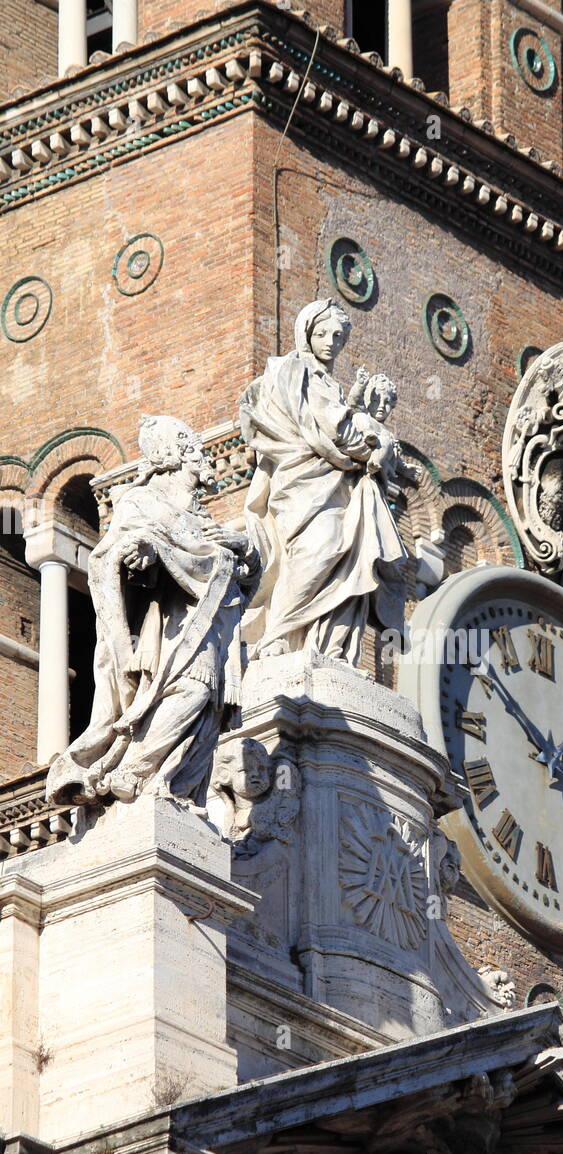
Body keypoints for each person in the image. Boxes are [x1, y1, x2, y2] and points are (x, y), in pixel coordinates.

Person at [46, 415, 259, 808]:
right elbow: (110, 558)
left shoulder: (203, 519)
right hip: (166, 627)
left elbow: (242, 580)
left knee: (207, 710)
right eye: (191, 446)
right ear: (174, 454)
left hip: (213, 627)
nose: (202, 454)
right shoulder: (143, 501)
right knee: (192, 690)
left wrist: (243, 548)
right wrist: (144, 555)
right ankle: (133, 771)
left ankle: (172, 788)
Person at [240, 299, 407, 665]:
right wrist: (379, 444)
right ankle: (277, 635)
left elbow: (341, 425)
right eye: (322, 333)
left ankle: (328, 649)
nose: (330, 341)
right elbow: (336, 430)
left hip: (338, 485)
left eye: (337, 335)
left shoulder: (327, 382)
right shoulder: (297, 371)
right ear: (306, 334)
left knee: (349, 558)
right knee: (320, 549)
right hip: (304, 482)